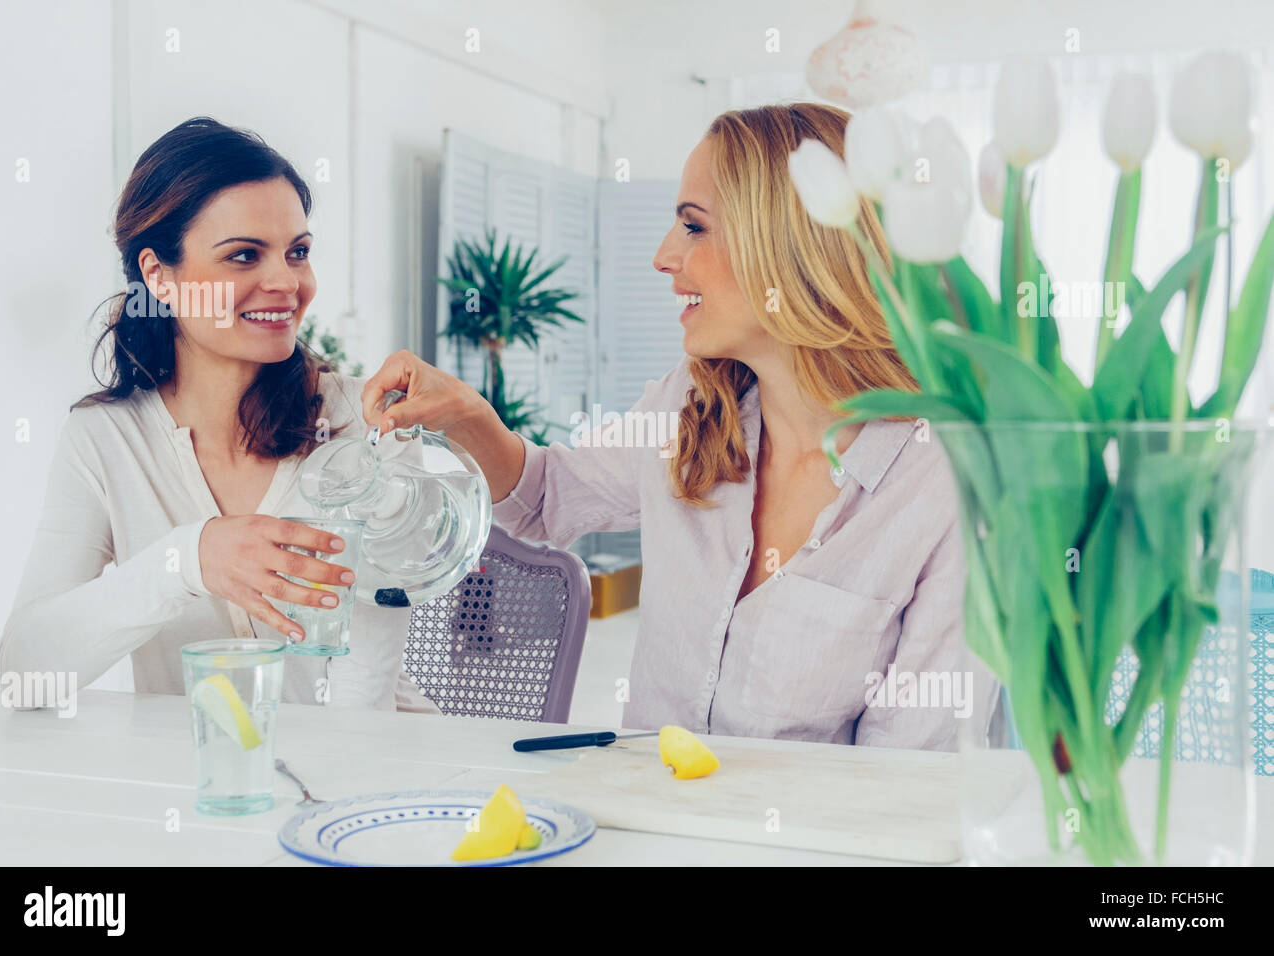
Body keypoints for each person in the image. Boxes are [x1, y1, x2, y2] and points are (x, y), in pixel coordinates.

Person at [360, 103, 975, 749]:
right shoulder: (689, 406)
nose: (663, 257)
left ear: (790, 243)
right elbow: (544, 501)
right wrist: (468, 414)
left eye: (694, 227)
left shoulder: (945, 484)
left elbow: (912, 776)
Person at [0, 117, 439, 714]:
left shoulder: (364, 422)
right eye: (243, 256)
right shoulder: (105, 438)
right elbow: (22, 674)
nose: (287, 282)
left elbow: (367, 683)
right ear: (158, 276)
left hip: (367, 779)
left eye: (298, 252)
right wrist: (186, 562)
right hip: (208, 786)